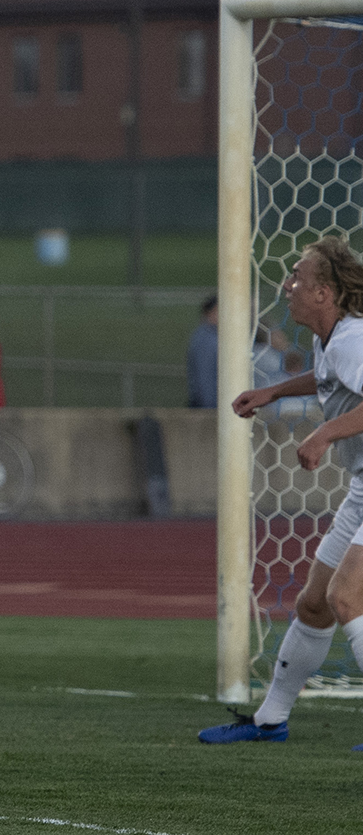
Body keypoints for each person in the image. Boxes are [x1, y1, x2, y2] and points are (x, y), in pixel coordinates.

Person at [200, 236, 363, 747]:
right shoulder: (332, 340)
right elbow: (328, 378)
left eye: (298, 277)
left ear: (326, 292)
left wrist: (322, 434)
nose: (288, 285)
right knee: (315, 603)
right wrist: (272, 390)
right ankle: (271, 721)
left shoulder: (352, 338)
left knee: (346, 596)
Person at [188, 295, 219, 409]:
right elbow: (205, 377)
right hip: (208, 407)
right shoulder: (206, 339)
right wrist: (210, 408)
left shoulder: (213, 336)